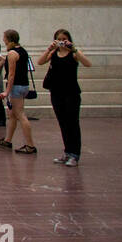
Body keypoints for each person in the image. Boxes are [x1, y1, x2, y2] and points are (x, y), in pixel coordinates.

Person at [38, 28, 90, 166]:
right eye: (59, 39)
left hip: (71, 93)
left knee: (72, 123)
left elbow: (87, 63)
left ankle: (75, 154)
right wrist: (49, 49)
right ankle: (67, 152)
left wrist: (74, 49)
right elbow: (40, 62)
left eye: (64, 39)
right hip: (56, 92)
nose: (62, 42)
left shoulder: (74, 54)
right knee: (63, 124)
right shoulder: (54, 53)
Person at [0, 29, 37, 154]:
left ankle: (30, 145)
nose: (3, 39)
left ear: (8, 39)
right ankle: (8, 140)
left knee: (20, 114)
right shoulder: (22, 51)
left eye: (4, 37)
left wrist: (7, 91)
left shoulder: (12, 54)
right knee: (12, 114)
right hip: (23, 85)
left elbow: (11, 74)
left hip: (16, 87)